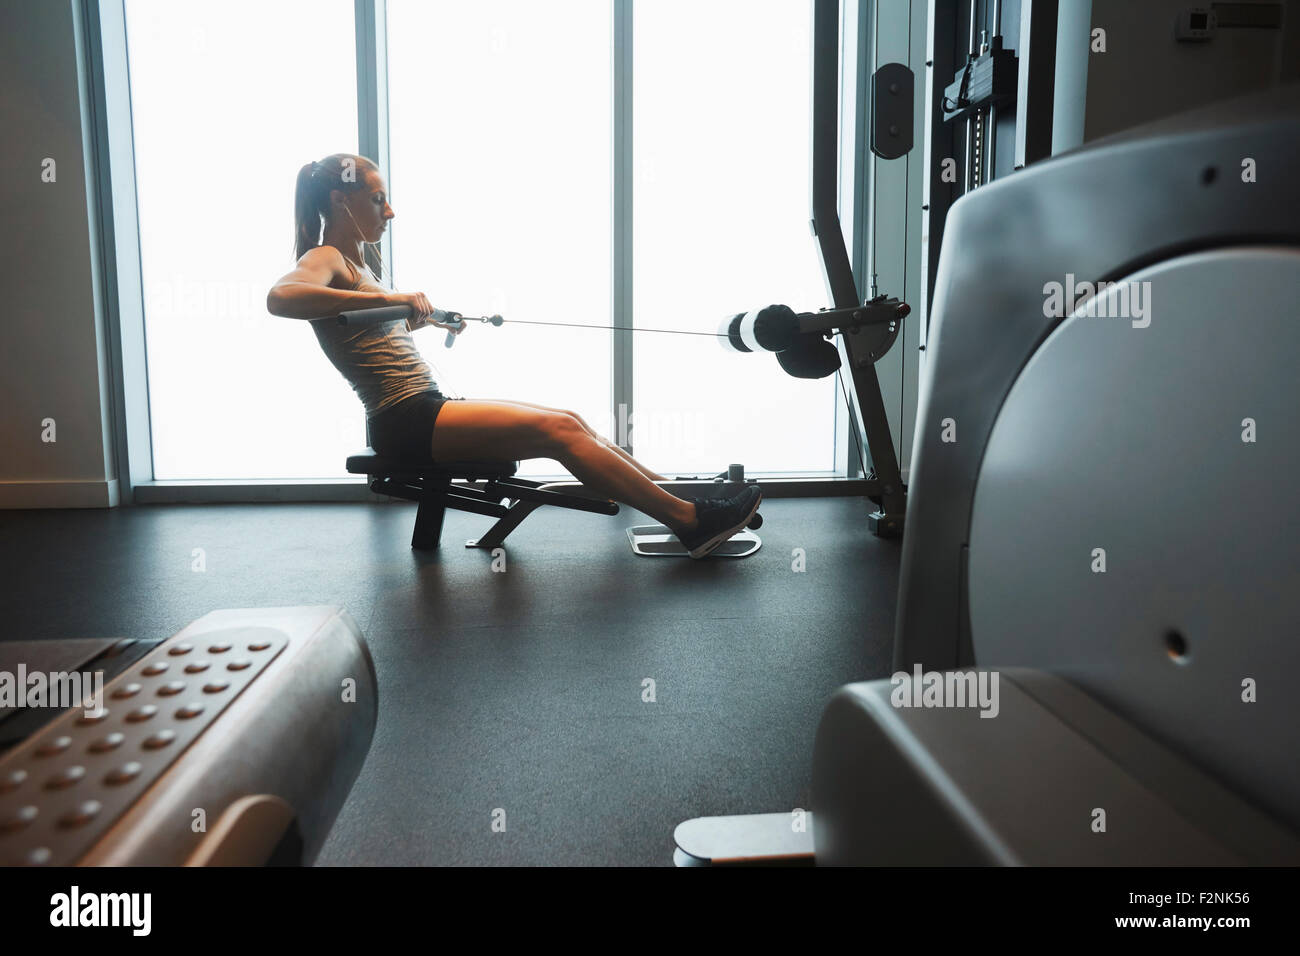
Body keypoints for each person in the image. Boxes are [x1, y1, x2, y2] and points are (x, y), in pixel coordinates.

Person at [266, 153, 762, 558]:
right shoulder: (324, 257)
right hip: (405, 420)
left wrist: (415, 317)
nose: (389, 212)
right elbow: (282, 299)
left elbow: (364, 328)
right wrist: (388, 302)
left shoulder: (358, 267)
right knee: (560, 432)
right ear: (339, 198)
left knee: (569, 419)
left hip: (423, 409)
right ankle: (690, 522)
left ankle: (687, 496)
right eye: (378, 199)